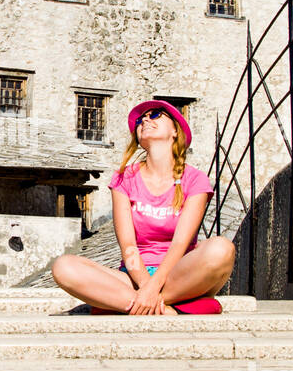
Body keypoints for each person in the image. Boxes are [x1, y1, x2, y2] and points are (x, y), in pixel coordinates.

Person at [50, 100, 236, 314]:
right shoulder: (124, 178)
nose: (145, 120)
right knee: (64, 267)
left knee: (222, 249)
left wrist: (153, 287)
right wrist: (145, 284)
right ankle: (167, 308)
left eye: (155, 115)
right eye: (140, 119)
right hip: (133, 276)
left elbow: (180, 244)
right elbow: (128, 245)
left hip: (179, 274)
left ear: (175, 130)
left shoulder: (194, 179)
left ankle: (130, 304)